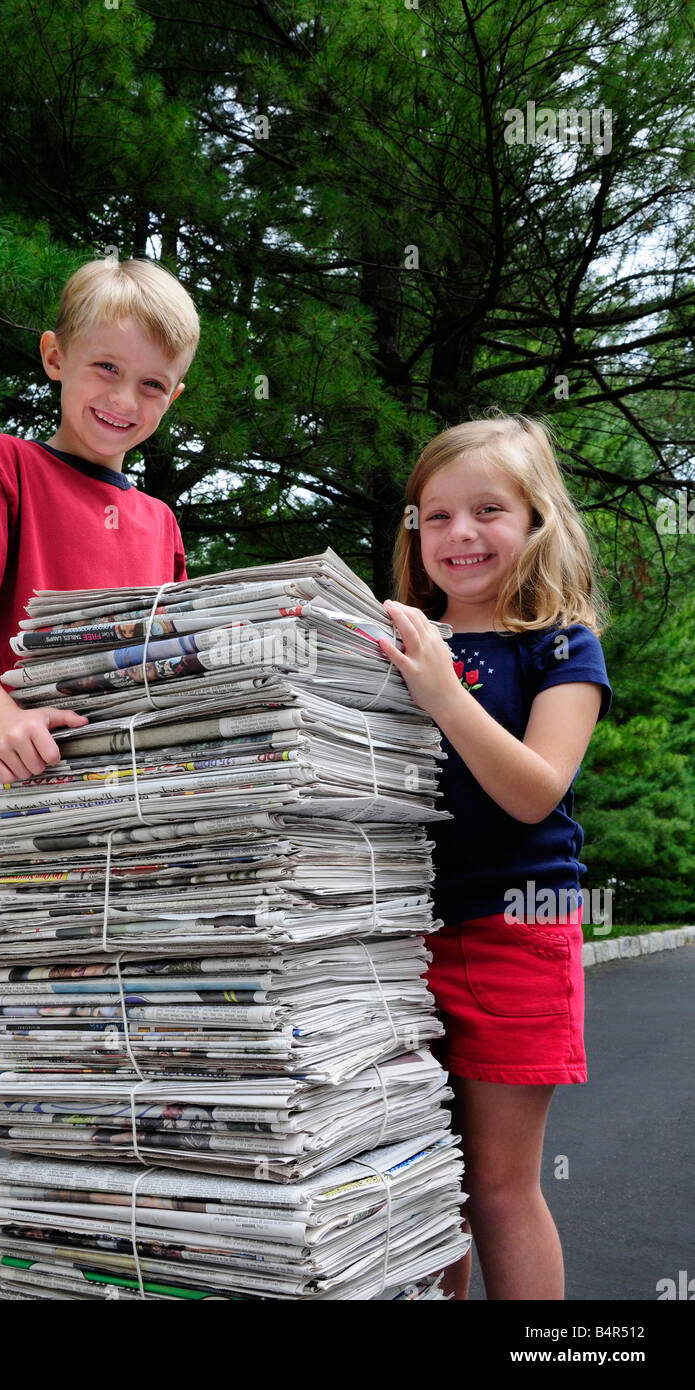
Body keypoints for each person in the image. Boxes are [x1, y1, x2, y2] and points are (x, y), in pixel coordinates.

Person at [0, 256, 199, 1299]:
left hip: (118, 854)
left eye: (152, 385)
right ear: (54, 357)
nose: (122, 400)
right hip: (3, 845)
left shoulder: (159, 525)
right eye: (103, 369)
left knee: (102, 1088)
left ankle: (61, 1282)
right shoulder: (3, 469)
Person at [377, 412, 612, 1301]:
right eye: (434, 516)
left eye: (487, 510)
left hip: (515, 934)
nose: (459, 534)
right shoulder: (395, 646)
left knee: (497, 1187)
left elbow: (533, 789)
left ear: (536, 523)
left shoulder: (559, 646)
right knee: (420, 1180)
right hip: (393, 944)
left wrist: (440, 689)